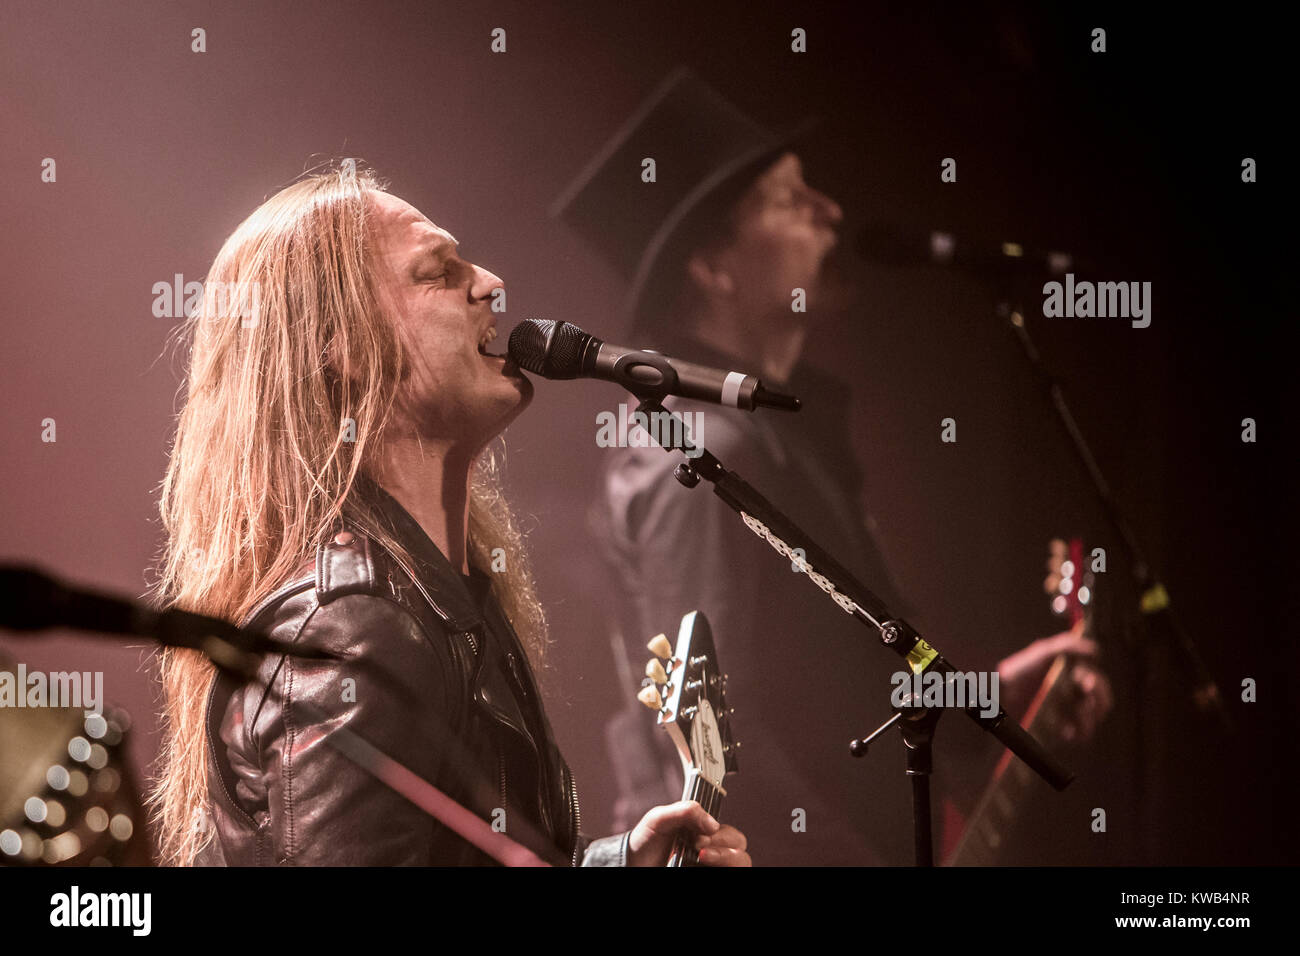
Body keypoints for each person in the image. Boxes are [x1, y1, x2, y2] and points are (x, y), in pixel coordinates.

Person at [556, 69, 1112, 864]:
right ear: (712, 266)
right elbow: (717, 731)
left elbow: (840, 694)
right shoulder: (702, 457)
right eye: (789, 199)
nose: (832, 211)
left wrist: (994, 690)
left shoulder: (780, 436)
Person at [148, 163, 750, 867]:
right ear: (339, 344)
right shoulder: (355, 626)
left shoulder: (433, 595)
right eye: (438, 273)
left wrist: (615, 862)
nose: (492, 283)